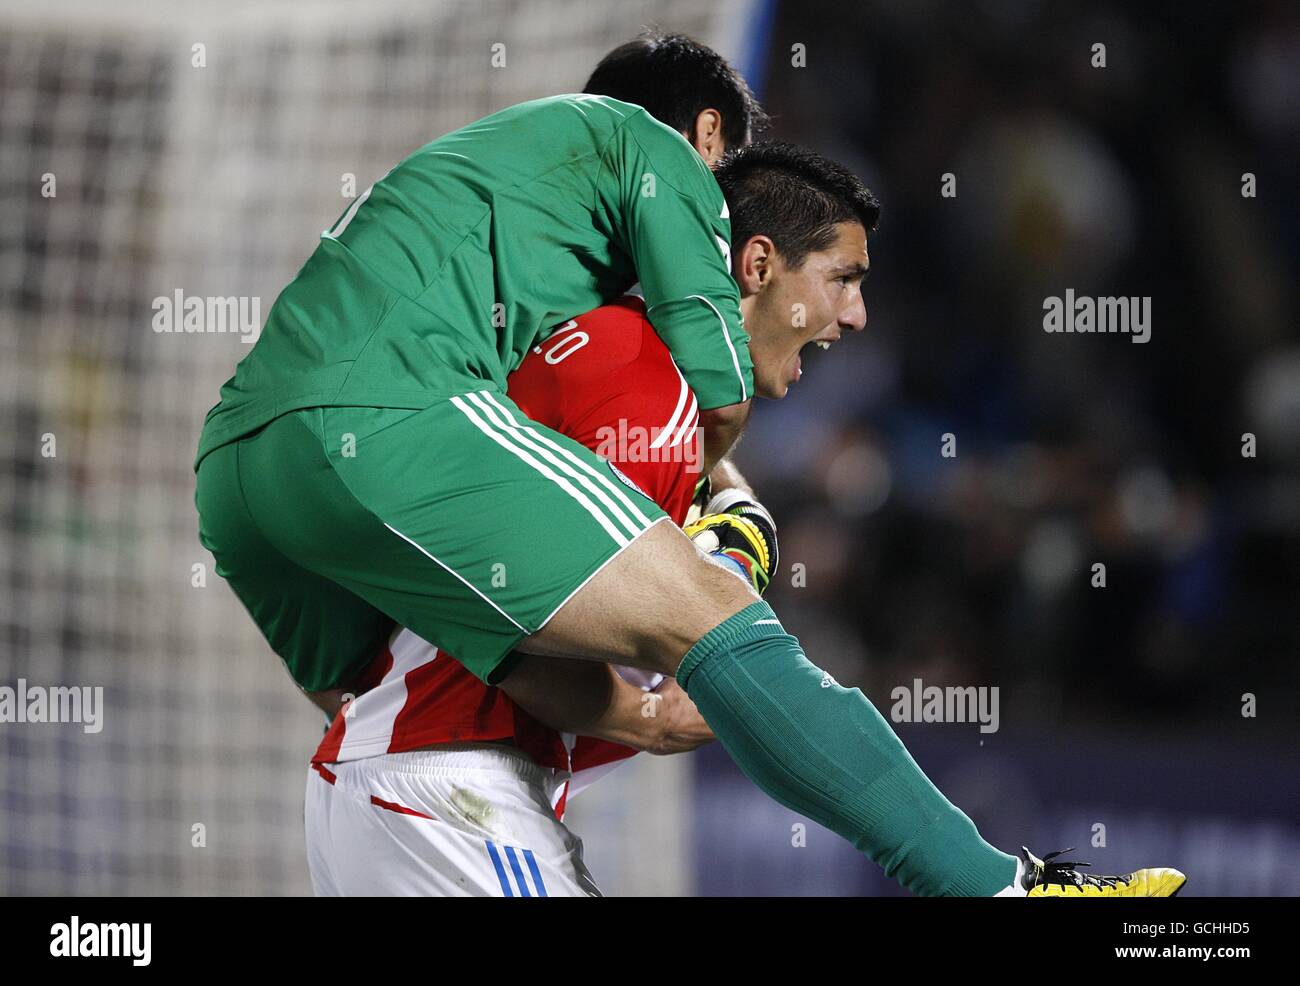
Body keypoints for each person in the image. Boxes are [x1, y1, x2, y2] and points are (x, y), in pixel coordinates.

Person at [197, 32, 1184, 896]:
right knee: (715, 623)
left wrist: (673, 661)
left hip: (245, 467)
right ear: (708, 143)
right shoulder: (644, 211)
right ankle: (996, 887)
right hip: (438, 750)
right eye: (840, 280)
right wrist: (726, 525)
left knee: (370, 686)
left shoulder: (538, 326)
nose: (856, 316)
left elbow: (515, 660)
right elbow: (717, 409)